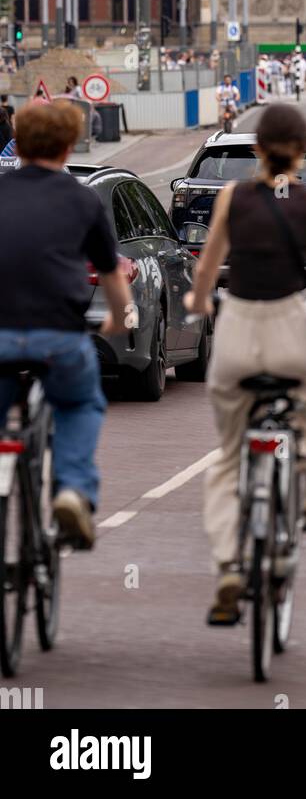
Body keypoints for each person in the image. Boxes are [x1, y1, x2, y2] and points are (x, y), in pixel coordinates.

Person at [184, 103, 306, 624]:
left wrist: (198, 303)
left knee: (228, 455)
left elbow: (207, 267)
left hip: (240, 330)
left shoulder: (232, 196)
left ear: (257, 150)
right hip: (292, 327)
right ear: (301, 153)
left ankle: (228, 567)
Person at [0, 102, 132, 548]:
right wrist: (116, 317)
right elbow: (111, 272)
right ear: (69, 146)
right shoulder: (82, 199)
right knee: (79, 405)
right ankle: (73, 490)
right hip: (60, 337)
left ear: (17, 144)